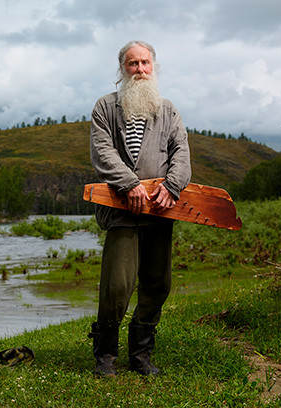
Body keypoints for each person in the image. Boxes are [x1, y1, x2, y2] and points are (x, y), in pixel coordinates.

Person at [88, 40, 191, 377]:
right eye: (133, 64)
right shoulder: (106, 107)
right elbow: (102, 152)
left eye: (145, 63)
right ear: (123, 69)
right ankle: (105, 355)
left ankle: (141, 355)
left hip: (161, 213)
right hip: (121, 211)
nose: (140, 70)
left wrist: (173, 186)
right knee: (118, 285)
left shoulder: (168, 109)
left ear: (154, 66)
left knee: (157, 283)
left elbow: (181, 154)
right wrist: (129, 183)